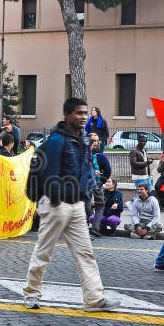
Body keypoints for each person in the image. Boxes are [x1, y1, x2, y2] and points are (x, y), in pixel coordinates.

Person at [23, 97, 121, 312]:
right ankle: (31, 292)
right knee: (44, 251)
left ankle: (94, 299)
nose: (83, 116)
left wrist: (86, 200)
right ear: (66, 115)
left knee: (85, 253)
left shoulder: (83, 141)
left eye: (85, 113)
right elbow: (48, 173)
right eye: (78, 113)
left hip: (76, 205)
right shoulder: (57, 141)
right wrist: (53, 200)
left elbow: (86, 173)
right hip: (57, 205)